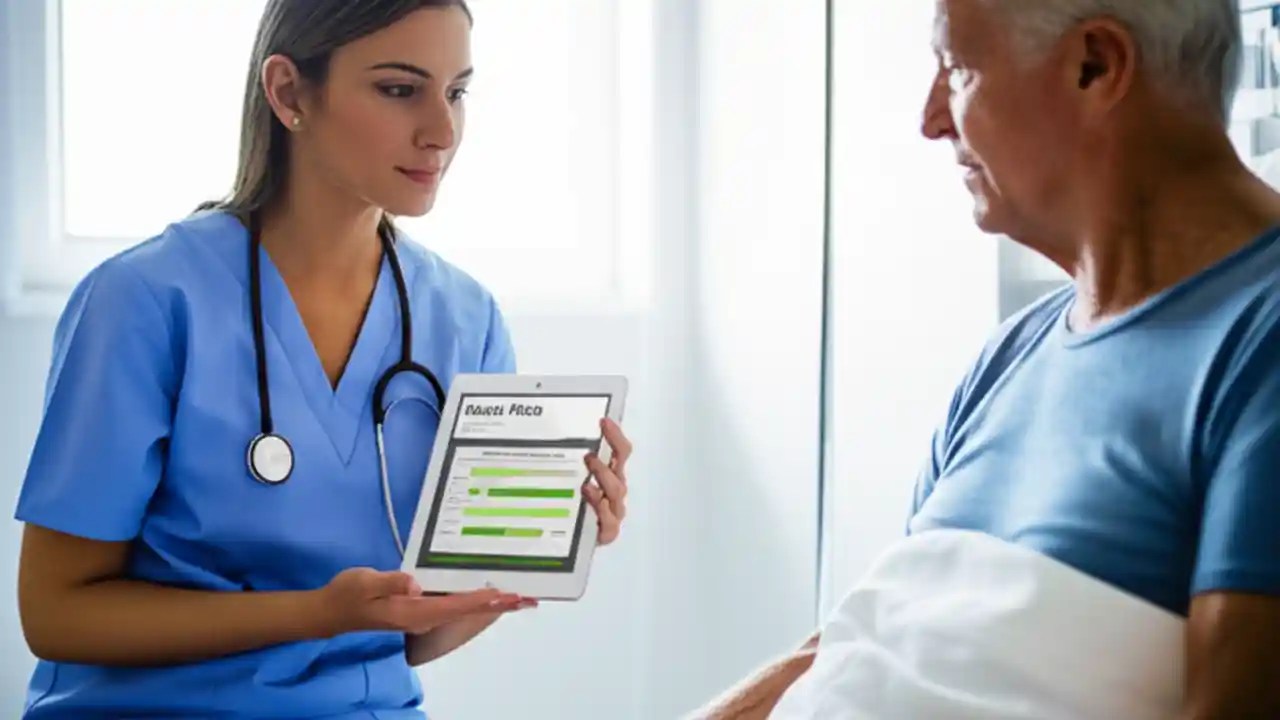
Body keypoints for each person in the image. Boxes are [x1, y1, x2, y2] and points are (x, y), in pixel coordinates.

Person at [13, 1, 633, 718]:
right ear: (287, 93)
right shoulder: (145, 302)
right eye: (399, 89)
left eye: (456, 91)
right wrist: (319, 614)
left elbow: (412, 636)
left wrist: (546, 545)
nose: (442, 131)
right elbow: (57, 615)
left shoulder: (465, 321)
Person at [695, 0, 1280, 717]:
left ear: (1095, 66)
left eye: (957, 69)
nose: (931, 118)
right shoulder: (1011, 356)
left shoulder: (1262, 340)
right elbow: (863, 646)